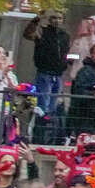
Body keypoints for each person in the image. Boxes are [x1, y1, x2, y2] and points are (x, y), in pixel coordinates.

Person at [22, 9, 70, 142]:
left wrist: (65, 63)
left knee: (53, 107)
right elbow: (27, 34)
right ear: (49, 20)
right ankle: (39, 137)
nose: (57, 20)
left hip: (58, 74)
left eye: (60, 18)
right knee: (43, 107)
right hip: (44, 73)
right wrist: (36, 20)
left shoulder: (65, 35)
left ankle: (50, 137)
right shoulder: (42, 31)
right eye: (54, 18)